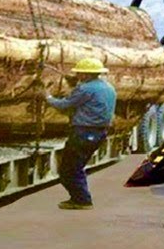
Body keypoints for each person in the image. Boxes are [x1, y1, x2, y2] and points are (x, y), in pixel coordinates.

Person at [45, 57, 117, 210]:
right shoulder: (108, 87)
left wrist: (48, 98)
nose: (77, 75)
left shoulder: (85, 89)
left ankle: (82, 200)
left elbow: (64, 105)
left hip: (84, 132)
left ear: (86, 74)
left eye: (79, 73)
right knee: (76, 166)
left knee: (70, 169)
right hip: (99, 133)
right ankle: (78, 198)